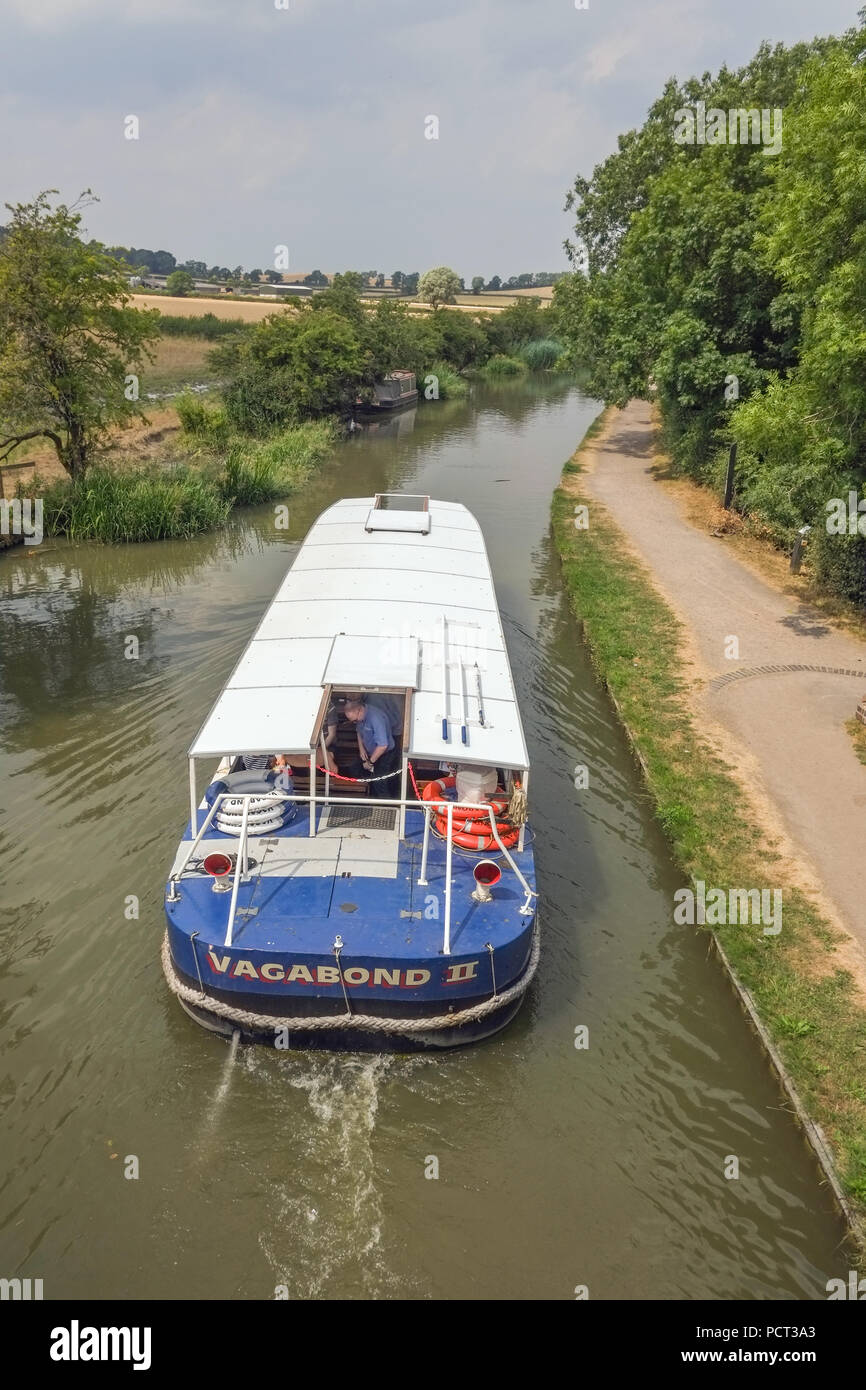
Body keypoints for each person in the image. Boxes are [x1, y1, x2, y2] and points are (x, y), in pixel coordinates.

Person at [343, 696, 399, 799]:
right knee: (354, 769)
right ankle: (364, 797)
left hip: (385, 754)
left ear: (359, 711)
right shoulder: (359, 718)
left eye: (354, 720)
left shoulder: (376, 718)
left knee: (380, 783)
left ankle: (385, 808)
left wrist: (370, 763)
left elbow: (383, 745)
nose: (355, 722)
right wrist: (361, 748)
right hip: (369, 753)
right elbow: (358, 731)